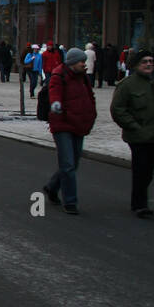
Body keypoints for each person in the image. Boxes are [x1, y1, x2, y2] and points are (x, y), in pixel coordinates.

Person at [110, 49, 154, 217]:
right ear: (135, 65)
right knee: (141, 169)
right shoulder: (127, 85)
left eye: (151, 61)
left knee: (148, 170)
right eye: (144, 62)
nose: (149, 64)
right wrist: (134, 126)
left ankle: (140, 199)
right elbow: (118, 110)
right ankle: (140, 204)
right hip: (138, 136)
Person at [42, 48, 96, 215]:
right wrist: (56, 104)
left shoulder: (83, 78)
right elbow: (54, 92)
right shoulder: (59, 76)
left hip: (79, 124)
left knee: (73, 163)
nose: (84, 65)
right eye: (82, 62)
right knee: (68, 164)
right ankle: (70, 201)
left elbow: (89, 96)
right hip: (63, 124)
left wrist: (91, 113)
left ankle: (52, 187)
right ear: (72, 62)